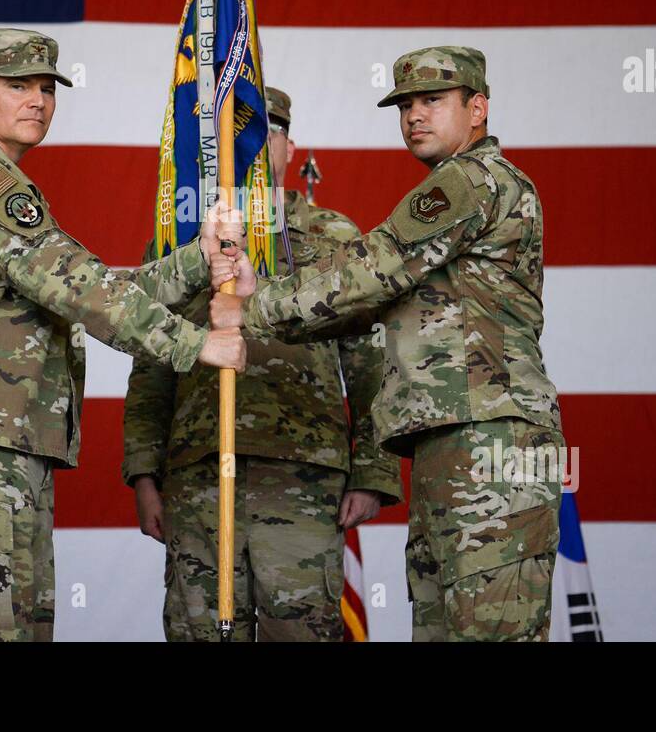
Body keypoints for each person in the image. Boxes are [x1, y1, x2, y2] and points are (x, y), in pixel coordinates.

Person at [0, 27, 246, 642]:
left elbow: (74, 287)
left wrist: (196, 262)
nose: (37, 101)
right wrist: (194, 344)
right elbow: (75, 286)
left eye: (47, 88)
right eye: (16, 85)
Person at [210, 47, 564, 641]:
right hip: (451, 441)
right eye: (405, 104)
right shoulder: (458, 191)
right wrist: (260, 298)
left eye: (432, 100)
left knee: (489, 630)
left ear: (477, 108)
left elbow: (373, 269)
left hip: (492, 441)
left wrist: (250, 309)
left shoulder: (472, 181)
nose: (414, 116)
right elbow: (369, 305)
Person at [123, 87, 402, 641]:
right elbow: (151, 363)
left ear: (288, 146)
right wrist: (143, 475)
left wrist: (374, 472)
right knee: (202, 632)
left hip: (303, 474)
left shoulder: (334, 237)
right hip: (200, 475)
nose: (250, 145)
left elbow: (373, 361)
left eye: (265, 130)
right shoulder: (183, 241)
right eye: (235, 132)